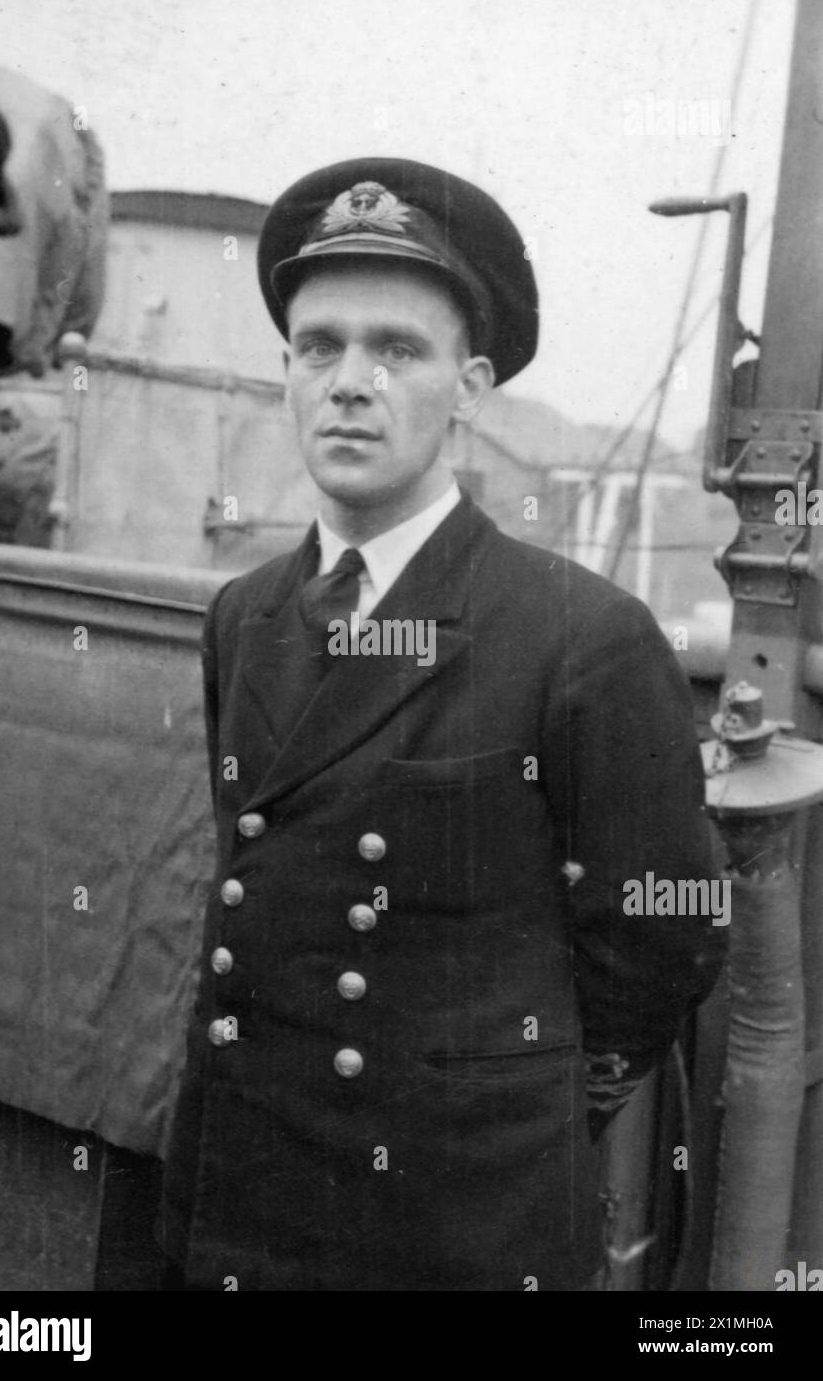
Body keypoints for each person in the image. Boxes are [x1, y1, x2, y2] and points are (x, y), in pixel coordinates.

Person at [158, 156, 726, 1291]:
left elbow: (666, 935)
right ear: (286, 374)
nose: (349, 382)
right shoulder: (246, 615)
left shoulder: (580, 635)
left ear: (468, 387)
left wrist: (494, 1095)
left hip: (452, 1220)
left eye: (396, 350)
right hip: (244, 1195)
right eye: (319, 347)